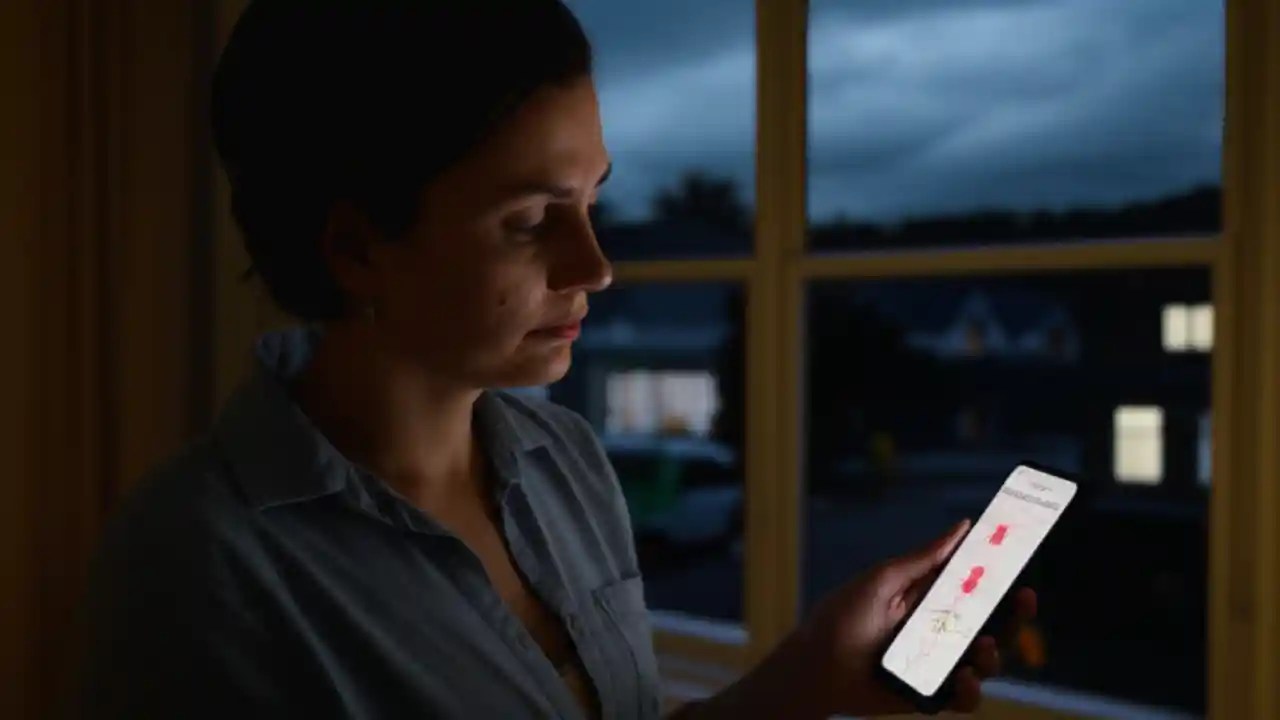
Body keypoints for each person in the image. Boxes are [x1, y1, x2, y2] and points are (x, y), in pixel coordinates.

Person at [75, 1, 1035, 718]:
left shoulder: (564, 459)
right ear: (358, 246)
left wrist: (810, 672)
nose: (597, 267)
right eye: (534, 222)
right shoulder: (196, 569)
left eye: (593, 202)